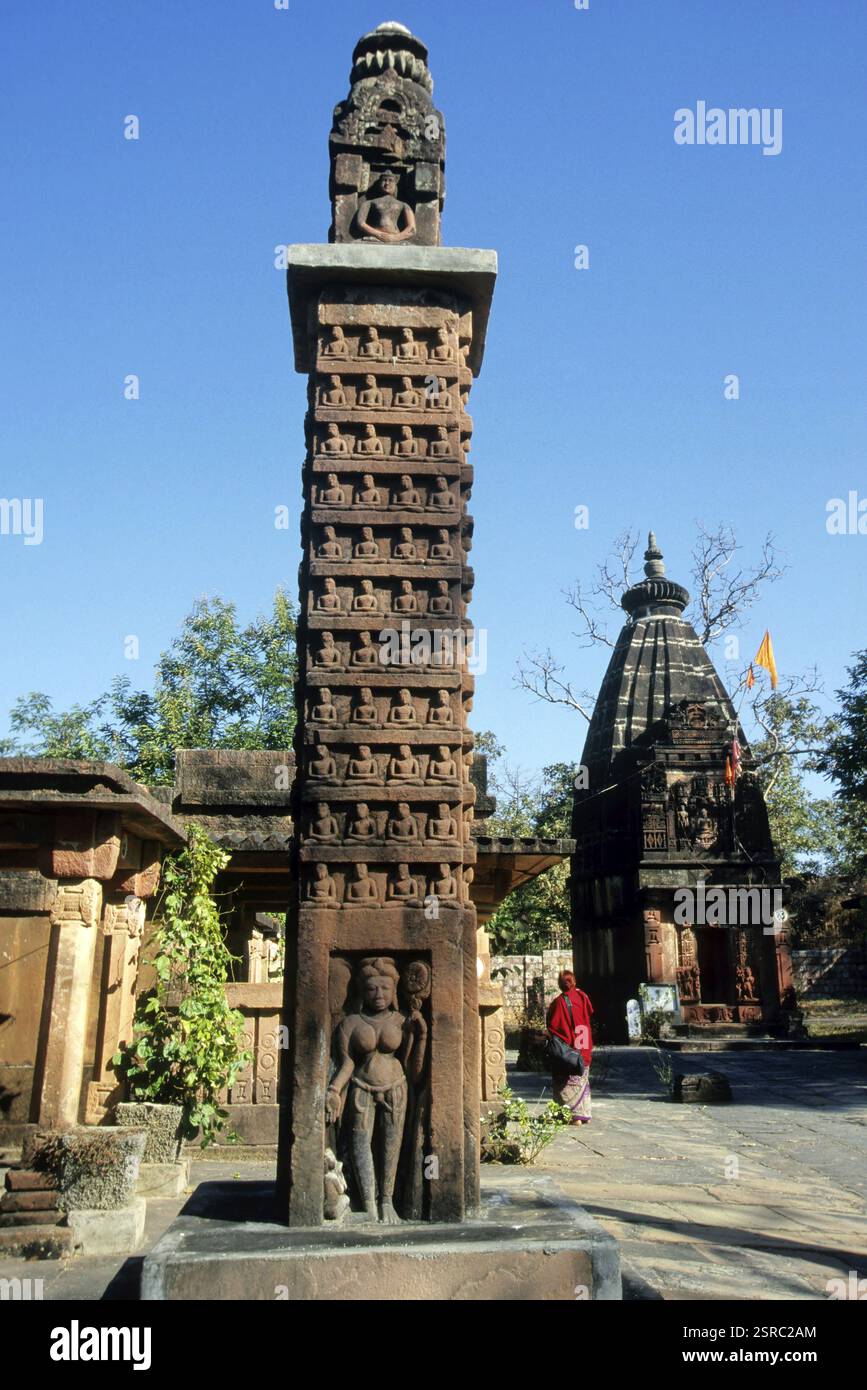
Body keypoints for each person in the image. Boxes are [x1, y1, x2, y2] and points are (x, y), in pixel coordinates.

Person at [546, 970, 593, 1124]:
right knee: (582, 1077)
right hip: (583, 1043)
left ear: (560, 984)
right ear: (574, 982)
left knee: (565, 1080)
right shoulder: (583, 996)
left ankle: (571, 1116)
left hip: (569, 1046)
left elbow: (554, 1025)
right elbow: (589, 1012)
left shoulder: (559, 1002)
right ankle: (584, 1113)